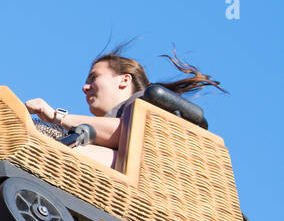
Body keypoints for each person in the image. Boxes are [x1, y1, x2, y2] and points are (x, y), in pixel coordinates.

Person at [25, 45, 225, 167]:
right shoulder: (116, 114)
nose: (85, 87)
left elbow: (128, 133)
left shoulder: (142, 103)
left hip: (135, 176)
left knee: (50, 144)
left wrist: (56, 116)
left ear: (124, 80)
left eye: (94, 78)